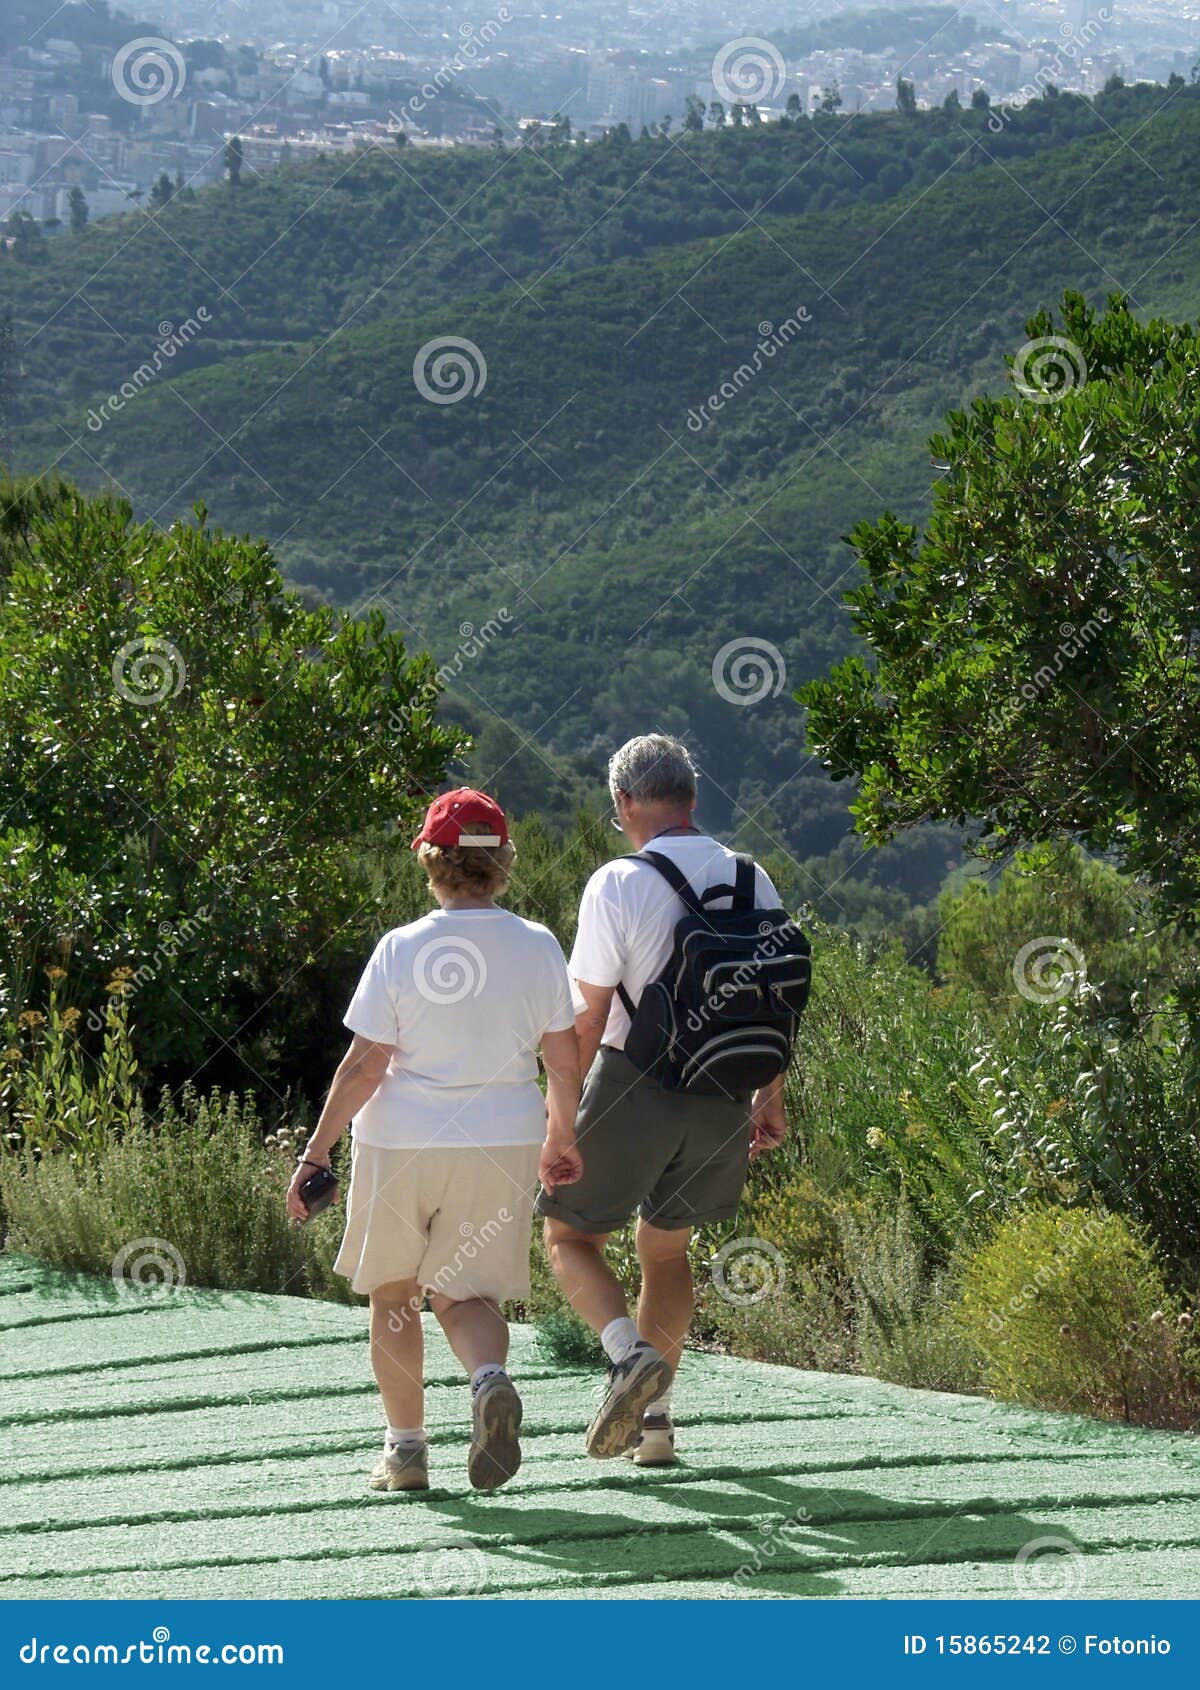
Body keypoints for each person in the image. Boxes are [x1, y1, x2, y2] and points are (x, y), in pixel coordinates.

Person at [286, 788, 582, 1494]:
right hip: (504, 1140)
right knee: (467, 1295)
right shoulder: (539, 944)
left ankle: (406, 1453)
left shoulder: (401, 948)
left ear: (431, 859)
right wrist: (562, 1136)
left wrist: (316, 1151)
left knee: (394, 1297)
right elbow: (564, 1060)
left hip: (402, 1144)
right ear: (502, 860)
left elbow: (365, 1067)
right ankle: (488, 1378)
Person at [537, 735, 788, 1467]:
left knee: (568, 1238)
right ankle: (654, 1429)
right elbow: (779, 1000)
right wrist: (769, 1095)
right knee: (667, 1249)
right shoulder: (752, 876)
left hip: (634, 1083)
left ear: (623, 804)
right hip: (726, 1089)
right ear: (692, 798)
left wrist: (559, 1123)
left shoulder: (618, 881)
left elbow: (587, 1019)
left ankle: (627, 1356)